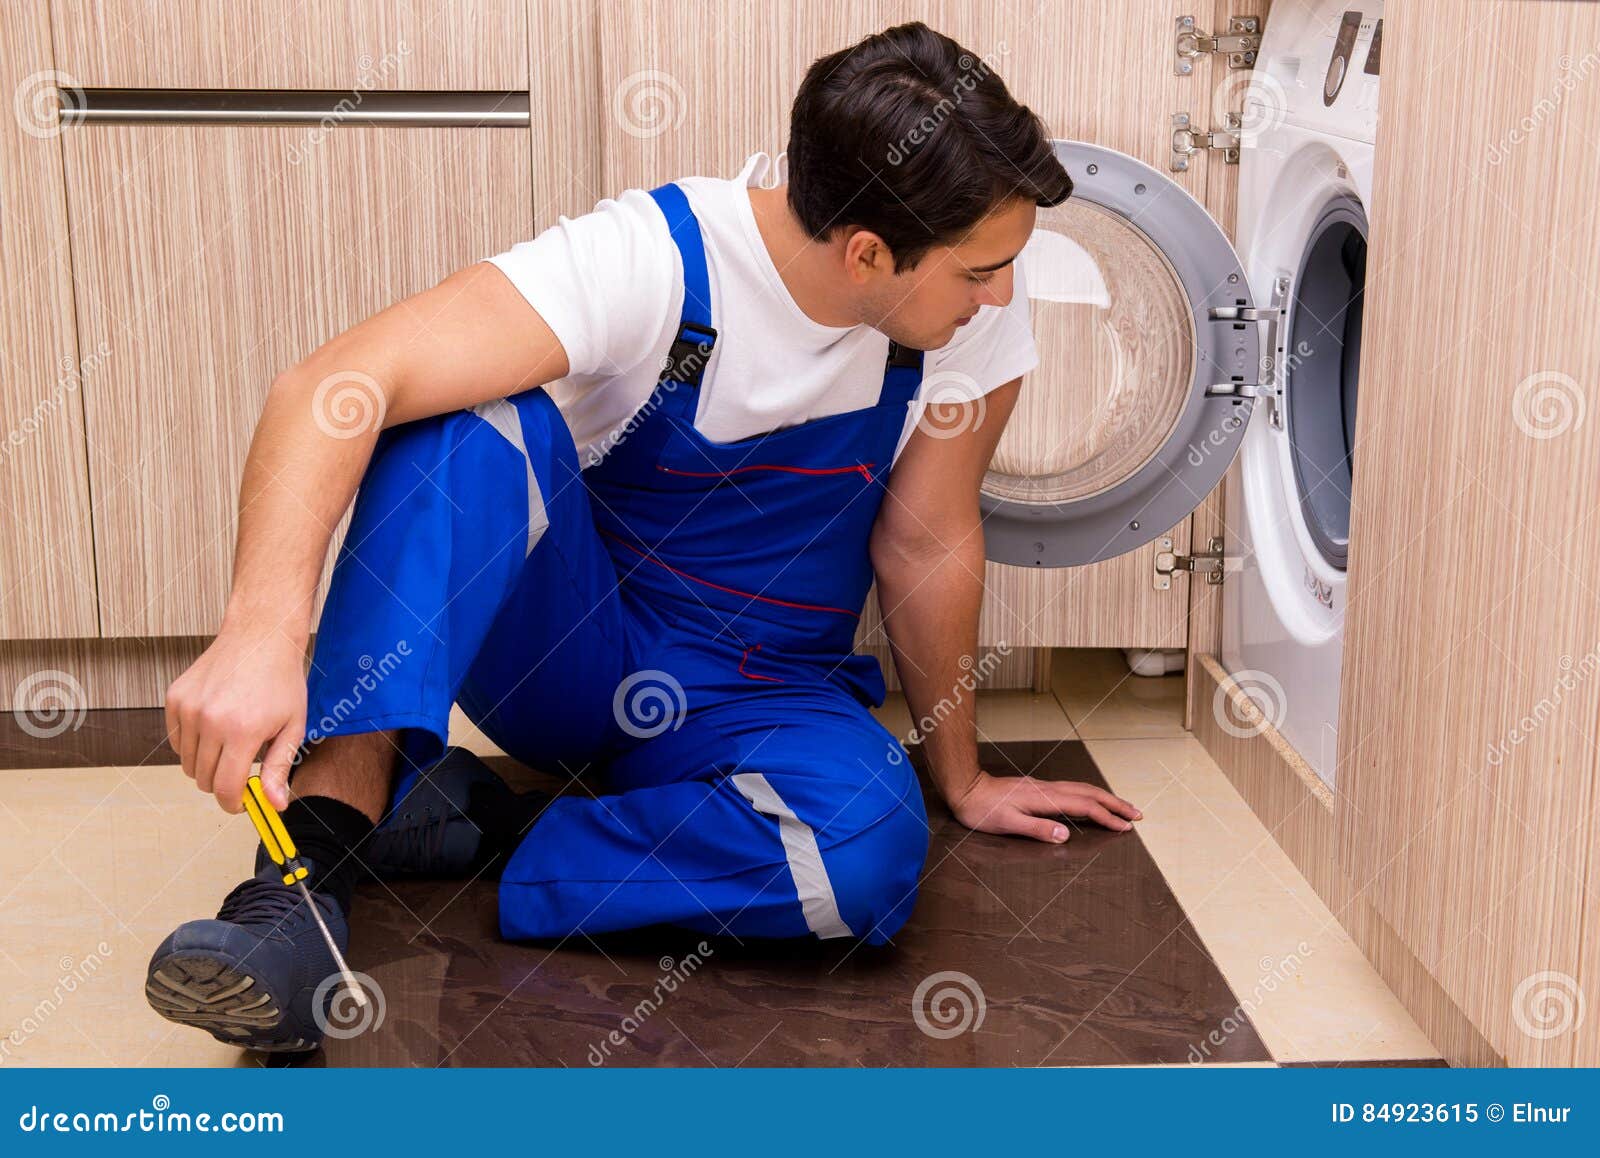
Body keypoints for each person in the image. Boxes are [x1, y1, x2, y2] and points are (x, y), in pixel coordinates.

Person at [147, 20, 1142, 1053]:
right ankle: (304, 880)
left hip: (760, 691)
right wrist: (262, 634)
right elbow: (335, 388)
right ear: (868, 254)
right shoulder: (655, 258)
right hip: (574, 651)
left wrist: (963, 778)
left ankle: (483, 828)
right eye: (980, 272)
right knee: (465, 423)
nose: (1002, 295)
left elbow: (925, 542)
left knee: (860, 862)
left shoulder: (964, 325)